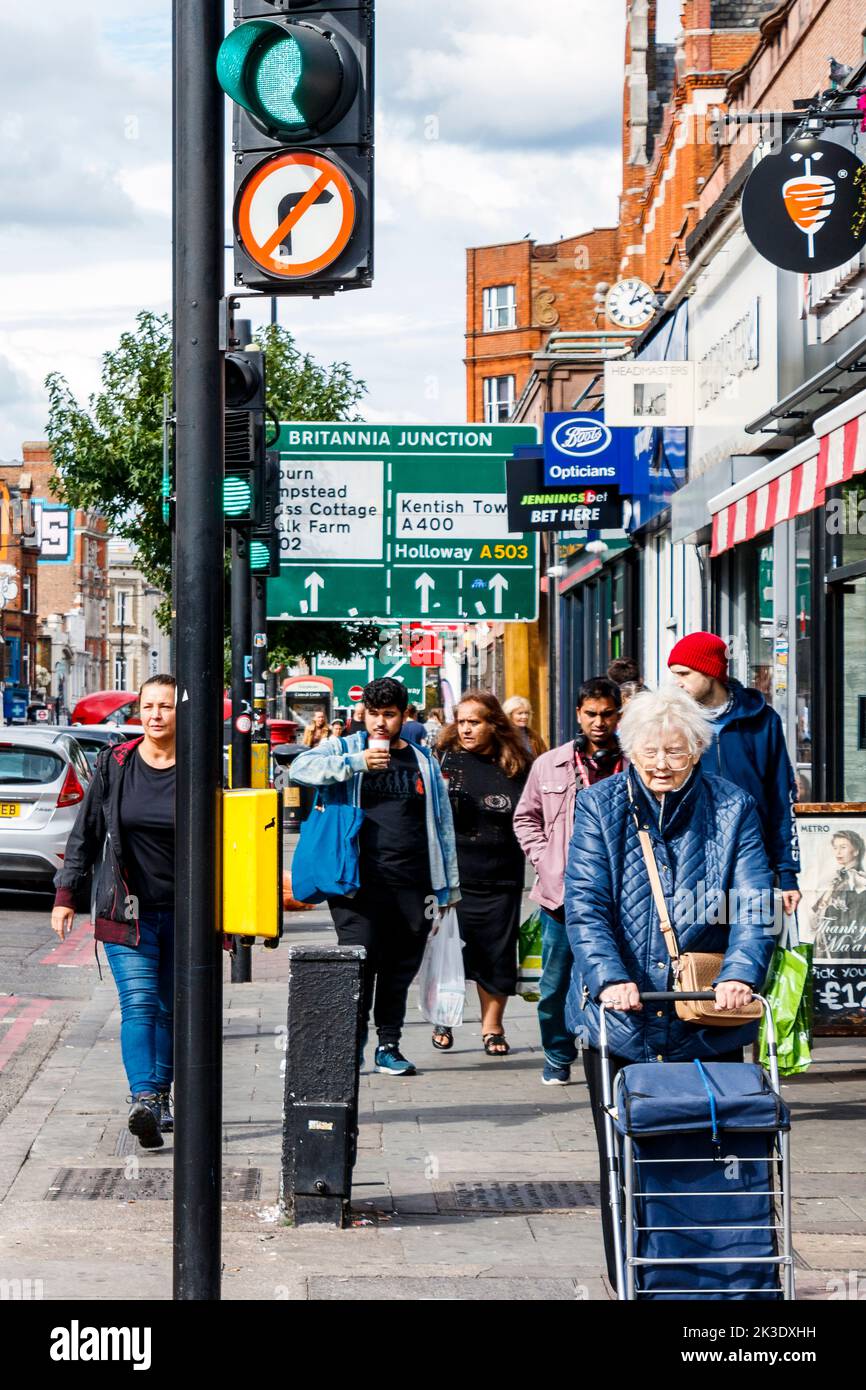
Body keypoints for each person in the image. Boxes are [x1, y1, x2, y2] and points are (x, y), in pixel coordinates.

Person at [564, 687, 775, 1282]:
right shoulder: (600, 806)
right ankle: (630, 1279)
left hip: (704, 1017)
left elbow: (755, 905)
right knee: (620, 1159)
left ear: (698, 751)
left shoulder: (732, 806)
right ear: (630, 749)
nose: (661, 763)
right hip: (623, 1019)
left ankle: (714, 1279)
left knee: (709, 1151)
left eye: (675, 752)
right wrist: (609, 978)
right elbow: (585, 905)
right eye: (650, 750)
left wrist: (738, 974)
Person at [290, 677, 459, 1077]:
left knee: (400, 968)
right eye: (373, 714)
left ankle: (389, 1044)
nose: (380, 723)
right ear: (362, 713)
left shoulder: (423, 761)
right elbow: (300, 768)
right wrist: (355, 763)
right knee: (359, 962)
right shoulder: (345, 746)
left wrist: (448, 886)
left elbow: (441, 824)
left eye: (389, 715)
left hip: (412, 881)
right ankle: (349, 1047)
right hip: (356, 881)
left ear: (403, 716)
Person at [50, 675, 178, 1150]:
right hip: (128, 908)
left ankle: (160, 1099)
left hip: (186, 911)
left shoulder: (199, 767)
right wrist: (66, 896)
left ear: (179, 713)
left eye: (165, 706)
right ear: (138, 711)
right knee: (140, 1003)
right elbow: (84, 834)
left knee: (170, 1009)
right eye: (149, 705)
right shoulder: (115, 763)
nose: (156, 714)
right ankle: (144, 1098)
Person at [514, 677, 624, 1085]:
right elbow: (526, 817)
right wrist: (544, 860)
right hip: (560, 894)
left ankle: (614, 1053)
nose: (599, 722)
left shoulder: (632, 763)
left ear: (619, 714)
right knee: (554, 985)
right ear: (578, 714)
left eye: (607, 714)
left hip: (618, 892)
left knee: (617, 978)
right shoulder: (550, 763)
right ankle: (557, 1055)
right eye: (591, 714)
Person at [667, 631, 801, 917]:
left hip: (751, 857)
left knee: (752, 946)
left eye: (684, 673)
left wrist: (787, 873)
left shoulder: (763, 721)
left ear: (710, 671)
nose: (677, 682)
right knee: (698, 956)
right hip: (690, 862)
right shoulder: (674, 723)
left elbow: (780, 798)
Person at [436, 691, 530, 1056]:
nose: (466, 729)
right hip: (455, 877)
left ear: (494, 723)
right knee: (451, 953)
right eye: (461, 722)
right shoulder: (445, 759)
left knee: (496, 953)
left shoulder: (516, 763)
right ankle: (444, 1016)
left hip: (502, 875)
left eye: (474, 722)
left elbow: (530, 814)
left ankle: (492, 1027)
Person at [813, 830, 866, 958]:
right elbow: (818, 910)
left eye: (843, 847)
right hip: (831, 941)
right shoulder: (837, 879)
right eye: (835, 848)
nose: (838, 852)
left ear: (856, 851)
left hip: (854, 942)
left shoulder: (860, 879)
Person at [502, 695, 547, 761]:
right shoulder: (502, 736)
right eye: (520, 713)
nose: (525, 717)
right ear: (509, 715)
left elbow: (544, 758)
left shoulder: (534, 736)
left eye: (526, 713)